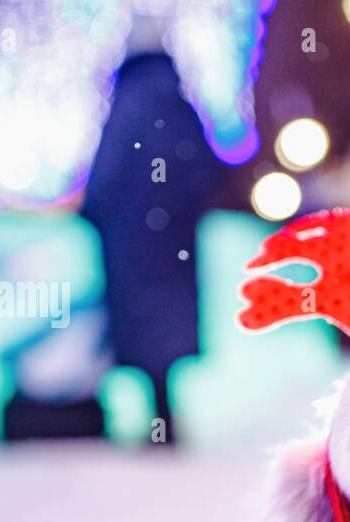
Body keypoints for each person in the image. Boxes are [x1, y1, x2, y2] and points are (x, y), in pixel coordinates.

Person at [81, 40, 225, 445]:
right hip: (175, 245)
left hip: (131, 246)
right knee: (167, 332)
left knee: (144, 334)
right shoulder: (180, 107)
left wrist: (96, 215)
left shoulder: (126, 107)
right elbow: (210, 173)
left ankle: (158, 420)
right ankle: (164, 418)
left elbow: (106, 176)